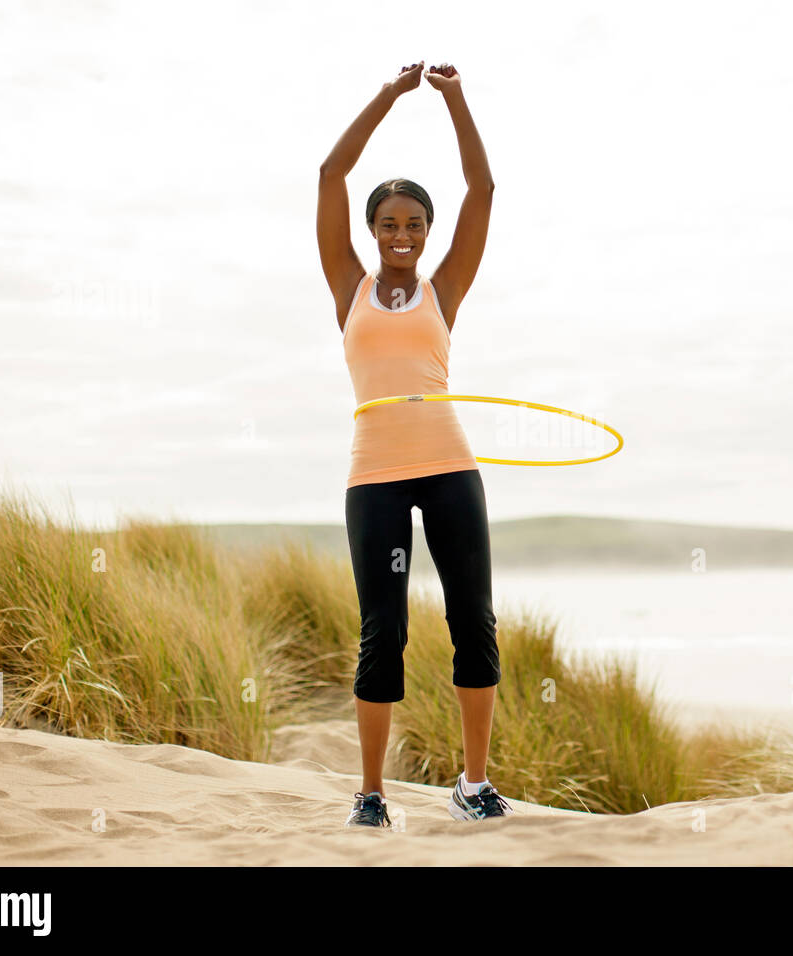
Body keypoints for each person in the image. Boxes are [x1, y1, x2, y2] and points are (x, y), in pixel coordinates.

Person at [316, 61, 512, 827]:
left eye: (414, 225)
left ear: (427, 234)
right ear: (373, 231)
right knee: (383, 633)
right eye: (389, 224)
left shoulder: (444, 288)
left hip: (450, 468)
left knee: (473, 620)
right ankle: (371, 794)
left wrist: (455, 99)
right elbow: (332, 171)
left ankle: (472, 783)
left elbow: (484, 191)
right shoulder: (348, 285)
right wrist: (391, 96)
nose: (402, 235)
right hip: (377, 477)